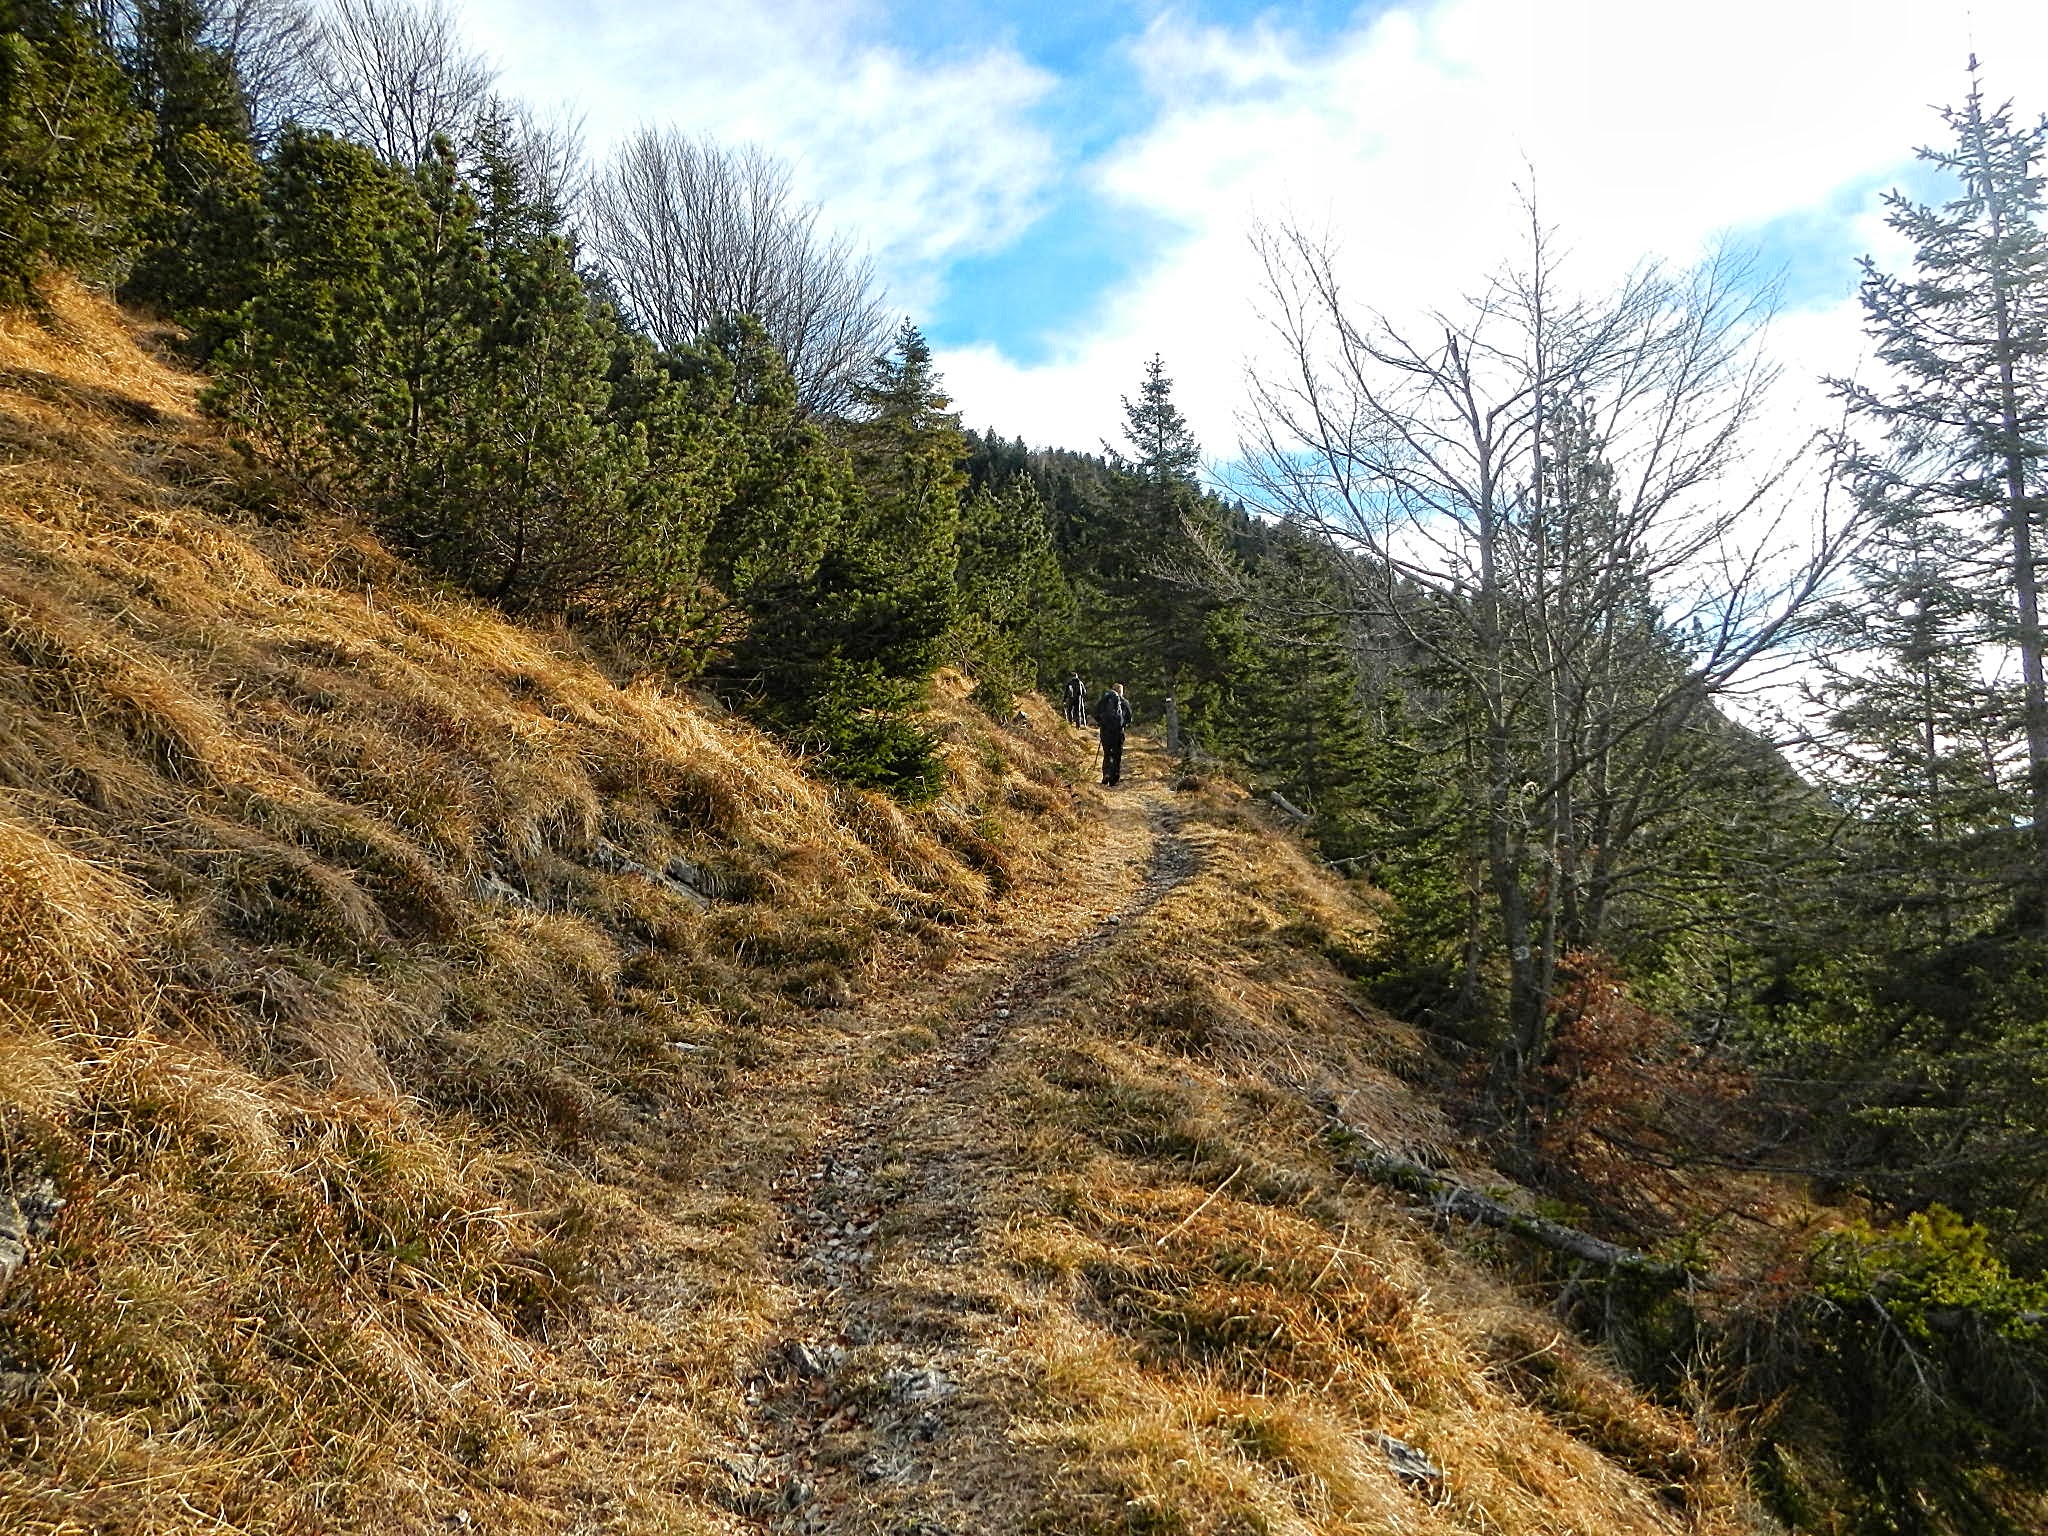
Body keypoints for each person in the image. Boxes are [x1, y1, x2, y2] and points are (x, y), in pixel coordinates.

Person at [1095, 682, 1131, 786]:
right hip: (1118, 732)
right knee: (1117, 754)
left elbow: (1096, 713)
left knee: (1107, 753)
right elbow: (1129, 718)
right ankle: (1114, 778)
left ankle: (1106, 773)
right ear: (1121, 691)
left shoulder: (1105, 700)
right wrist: (1123, 724)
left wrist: (1102, 723)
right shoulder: (1124, 702)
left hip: (1105, 731)